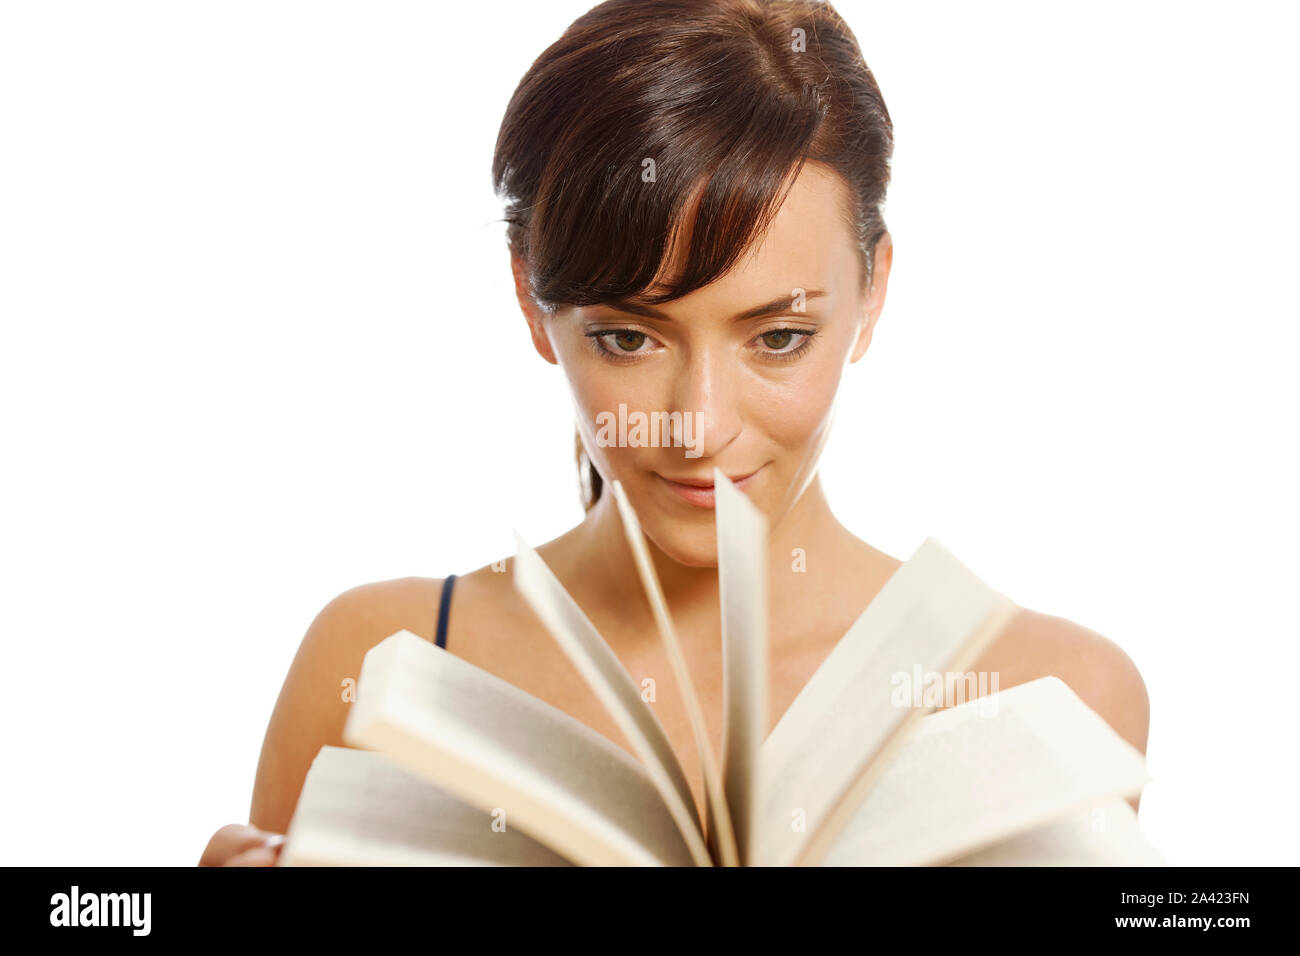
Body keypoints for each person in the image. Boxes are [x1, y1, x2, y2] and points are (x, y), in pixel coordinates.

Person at [201, 0, 1149, 866]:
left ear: (874, 292)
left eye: (779, 338)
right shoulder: (383, 663)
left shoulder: (1057, 698)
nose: (698, 426)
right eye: (627, 337)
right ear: (533, 302)